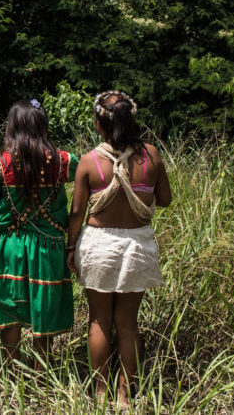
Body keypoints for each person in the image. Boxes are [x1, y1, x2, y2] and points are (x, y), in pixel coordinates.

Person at [66, 90, 172, 406]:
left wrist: (70, 247)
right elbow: (165, 200)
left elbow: (77, 212)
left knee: (98, 320)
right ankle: (125, 396)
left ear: (100, 124)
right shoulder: (151, 155)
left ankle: (101, 394)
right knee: (128, 324)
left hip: (98, 245)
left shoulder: (90, 161)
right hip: (137, 244)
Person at [0, 99, 78, 369]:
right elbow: (89, 179)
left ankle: (11, 370)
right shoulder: (63, 160)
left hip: (11, 245)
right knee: (44, 305)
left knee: (9, 305)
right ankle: (41, 374)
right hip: (50, 247)